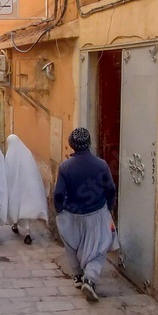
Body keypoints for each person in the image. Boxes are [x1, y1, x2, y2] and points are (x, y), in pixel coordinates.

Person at [53, 127, 116, 302]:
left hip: (72, 214)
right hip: (96, 214)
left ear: (71, 144)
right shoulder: (101, 165)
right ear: (89, 143)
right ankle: (90, 278)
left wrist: (59, 210)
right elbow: (110, 189)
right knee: (100, 247)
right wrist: (110, 207)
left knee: (72, 245)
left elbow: (58, 193)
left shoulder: (65, 167)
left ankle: (78, 276)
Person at [4, 135, 49, 245]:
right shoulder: (27, 153)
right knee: (26, 209)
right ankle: (27, 233)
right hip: (27, 189)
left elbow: (7, 173)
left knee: (15, 207)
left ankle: (15, 225)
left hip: (14, 188)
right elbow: (33, 171)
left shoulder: (10, 156)